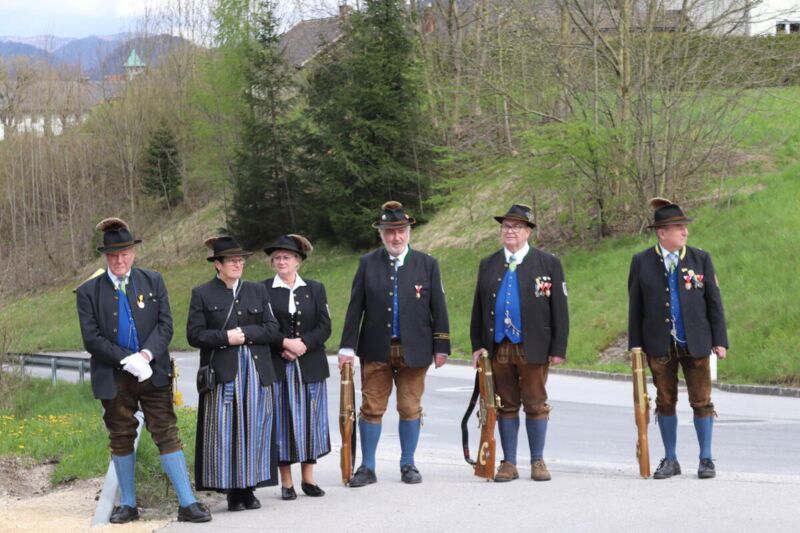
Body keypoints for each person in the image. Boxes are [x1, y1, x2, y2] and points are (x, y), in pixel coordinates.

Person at [76, 218, 211, 524]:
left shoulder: (153, 281)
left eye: (124, 253)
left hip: (154, 371)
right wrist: (127, 360)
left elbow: (165, 325)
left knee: (165, 430)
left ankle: (187, 502)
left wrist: (146, 355)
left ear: (133, 253)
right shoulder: (88, 292)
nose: (119, 260)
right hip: (114, 375)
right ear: (105, 256)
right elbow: (91, 338)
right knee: (121, 434)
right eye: (112, 255)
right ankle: (129, 505)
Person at [338, 201, 451, 487]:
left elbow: (438, 307)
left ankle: (408, 463)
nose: (396, 237)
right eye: (390, 232)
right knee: (371, 407)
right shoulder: (367, 264)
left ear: (408, 232)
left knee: (410, 407)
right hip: (376, 348)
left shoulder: (427, 264)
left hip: (416, 349)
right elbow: (355, 308)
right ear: (381, 234)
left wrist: (442, 345)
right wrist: (347, 347)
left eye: (400, 231)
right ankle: (368, 466)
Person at [628, 198, 728, 479]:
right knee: (665, 401)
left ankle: (706, 458)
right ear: (662, 233)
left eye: (685, 227)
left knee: (702, 401)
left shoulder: (700, 258)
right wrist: (635, 347)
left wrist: (720, 340)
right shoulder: (642, 261)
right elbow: (635, 307)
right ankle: (671, 459)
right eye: (678, 227)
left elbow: (714, 302)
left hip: (695, 341)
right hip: (658, 344)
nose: (685, 232)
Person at [470, 204, 569, 482]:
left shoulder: (547, 263)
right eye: (506, 227)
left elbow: (559, 308)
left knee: (536, 402)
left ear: (528, 232)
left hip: (534, 345)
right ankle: (509, 462)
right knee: (506, 404)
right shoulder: (488, 263)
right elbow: (478, 309)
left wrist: (558, 347)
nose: (510, 231)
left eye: (516, 227)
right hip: (499, 346)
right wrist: (478, 344)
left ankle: (537, 460)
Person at [186, 236, 282, 511]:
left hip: (255, 369)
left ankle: (249, 489)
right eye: (232, 260)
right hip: (223, 372)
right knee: (225, 430)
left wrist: (246, 334)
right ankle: (231, 491)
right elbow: (194, 335)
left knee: (254, 428)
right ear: (218, 264)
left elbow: (272, 327)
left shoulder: (257, 291)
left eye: (241, 260)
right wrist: (225, 337)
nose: (238, 264)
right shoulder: (202, 293)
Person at [263, 234, 332, 500]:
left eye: (287, 257)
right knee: (283, 422)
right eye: (277, 258)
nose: (282, 261)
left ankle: (309, 479)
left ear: (298, 261)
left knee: (311, 421)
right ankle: (286, 482)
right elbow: (263, 326)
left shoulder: (315, 288)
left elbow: (325, 326)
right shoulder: (263, 289)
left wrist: (302, 344)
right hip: (279, 364)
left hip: (309, 363)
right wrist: (284, 345)